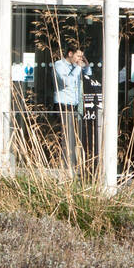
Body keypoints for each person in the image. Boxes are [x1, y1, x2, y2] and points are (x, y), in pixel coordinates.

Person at [53, 44, 90, 172]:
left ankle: (70, 162)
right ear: (70, 54)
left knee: (72, 135)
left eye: (82, 56)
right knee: (65, 135)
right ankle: (63, 163)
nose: (80, 58)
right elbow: (66, 82)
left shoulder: (76, 67)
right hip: (63, 105)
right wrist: (78, 68)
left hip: (74, 105)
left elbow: (89, 73)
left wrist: (85, 64)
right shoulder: (59, 65)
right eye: (78, 55)